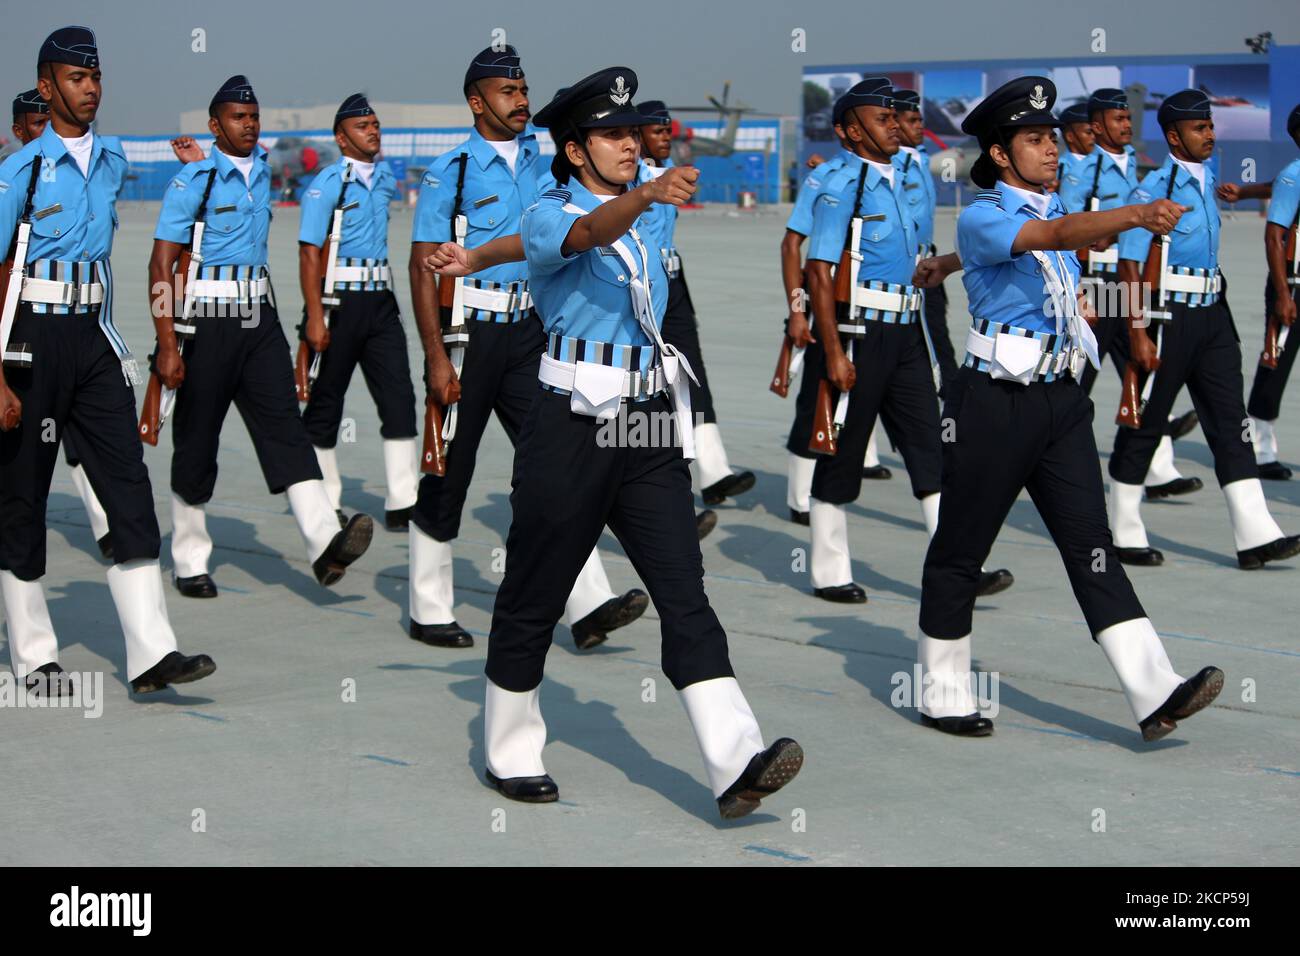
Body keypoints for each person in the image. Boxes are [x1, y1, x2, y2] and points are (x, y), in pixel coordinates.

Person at [428, 68, 802, 817]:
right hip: (570, 421)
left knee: (683, 589)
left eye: (633, 132)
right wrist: (642, 197)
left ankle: (736, 763)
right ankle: (509, 748)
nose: (630, 143)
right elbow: (581, 234)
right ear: (573, 149)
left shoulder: (648, 193)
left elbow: (527, 243)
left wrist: (475, 257)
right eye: (611, 134)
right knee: (536, 590)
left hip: (648, 419)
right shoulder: (559, 208)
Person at [916, 76, 1222, 742]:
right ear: (999, 153)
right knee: (960, 553)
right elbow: (1051, 233)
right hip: (993, 403)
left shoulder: (1031, 208)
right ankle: (941, 691)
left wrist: (945, 264)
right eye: (1034, 139)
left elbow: (1047, 239)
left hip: (1059, 402)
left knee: (1092, 548)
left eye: (1052, 137)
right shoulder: (985, 211)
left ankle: (1155, 690)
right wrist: (1137, 216)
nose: (1051, 148)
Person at [406, 45, 647, 651]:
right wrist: (435, 356)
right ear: (476, 100)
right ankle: (428, 606)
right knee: (448, 469)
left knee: (555, 465)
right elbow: (421, 266)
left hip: (532, 334)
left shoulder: (550, 165)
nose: (521, 100)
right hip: (469, 334)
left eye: (523, 89)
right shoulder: (451, 172)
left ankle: (588, 603)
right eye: (507, 91)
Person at [0, 27, 215, 696]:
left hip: (94, 339)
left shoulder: (115, 161)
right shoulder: (20, 172)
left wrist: (196, 166)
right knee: (23, 495)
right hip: (30, 340)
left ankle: (153, 655)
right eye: (74, 78)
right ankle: (34, 655)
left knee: (127, 485)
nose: (89, 88)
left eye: (94, 78)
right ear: (47, 87)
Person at [149, 75, 373, 599]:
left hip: (259, 320)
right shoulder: (191, 183)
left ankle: (324, 545)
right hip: (205, 321)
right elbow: (161, 263)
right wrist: (165, 341)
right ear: (214, 125)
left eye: (253, 117)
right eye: (236, 117)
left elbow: (255, 162)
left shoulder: (266, 171)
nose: (248, 125)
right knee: (198, 438)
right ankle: (189, 559)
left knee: (286, 430)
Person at [1107, 89, 1299, 570]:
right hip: (1167, 317)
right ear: (1174, 136)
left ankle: (1255, 533)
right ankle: (1123, 530)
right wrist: (1136, 333)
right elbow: (1129, 266)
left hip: (1213, 315)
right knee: (1146, 421)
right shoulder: (1152, 191)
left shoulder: (1206, 177)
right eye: (1199, 128)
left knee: (1232, 425)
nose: (1210, 134)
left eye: (1211, 126)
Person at [803, 78, 942, 604]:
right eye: (881, 120)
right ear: (852, 131)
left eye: (892, 117)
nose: (893, 126)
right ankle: (829, 570)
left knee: (930, 445)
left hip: (908, 328)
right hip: (859, 332)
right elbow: (819, 272)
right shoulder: (842, 184)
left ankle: (956, 562)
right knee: (842, 448)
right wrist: (832, 351)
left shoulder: (901, 178)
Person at [1059, 88, 1202, 503]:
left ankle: (1157, 468)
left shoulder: (1138, 169)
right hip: (1096, 287)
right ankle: (1044, 463)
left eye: (1128, 118)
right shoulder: (1081, 174)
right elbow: (1065, 232)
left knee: (1141, 374)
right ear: (1095, 127)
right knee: (1076, 383)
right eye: (1118, 119)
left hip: (1130, 286)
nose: (1127, 125)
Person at [298, 94, 419, 532]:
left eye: (375, 124)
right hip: (338, 302)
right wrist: (314, 315)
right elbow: (309, 253)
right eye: (363, 125)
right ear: (341, 136)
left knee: (400, 397)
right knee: (327, 400)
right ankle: (325, 500)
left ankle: (403, 501)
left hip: (381, 301)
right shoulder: (328, 183)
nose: (373, 131)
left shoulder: (385, 178)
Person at [636, 100, 756, 519]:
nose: (667, 137)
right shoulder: (629, 182)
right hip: (641, 293)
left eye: (669, 130)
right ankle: (665, 490)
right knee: (648, 393)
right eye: (657, 131)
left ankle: (714, 470)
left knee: (691, 376)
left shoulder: (670, 177)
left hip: (673, 284)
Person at [9, 85, 112, 560]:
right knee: (26, 467)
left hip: (78, 335)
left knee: (80, 442)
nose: (43, 131)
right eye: (34, 123)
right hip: (23, 335)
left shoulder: (91, 172)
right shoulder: (16, 183)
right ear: (19, 130)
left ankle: (110, 524)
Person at [1226, 103, 1300, 481]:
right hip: (1294, 285)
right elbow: (1274, 236)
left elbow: (1272, 185)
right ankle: (1259, 445)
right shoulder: (1294, 174)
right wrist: (1284, 294)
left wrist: (1243, 191)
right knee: (1276, 363)